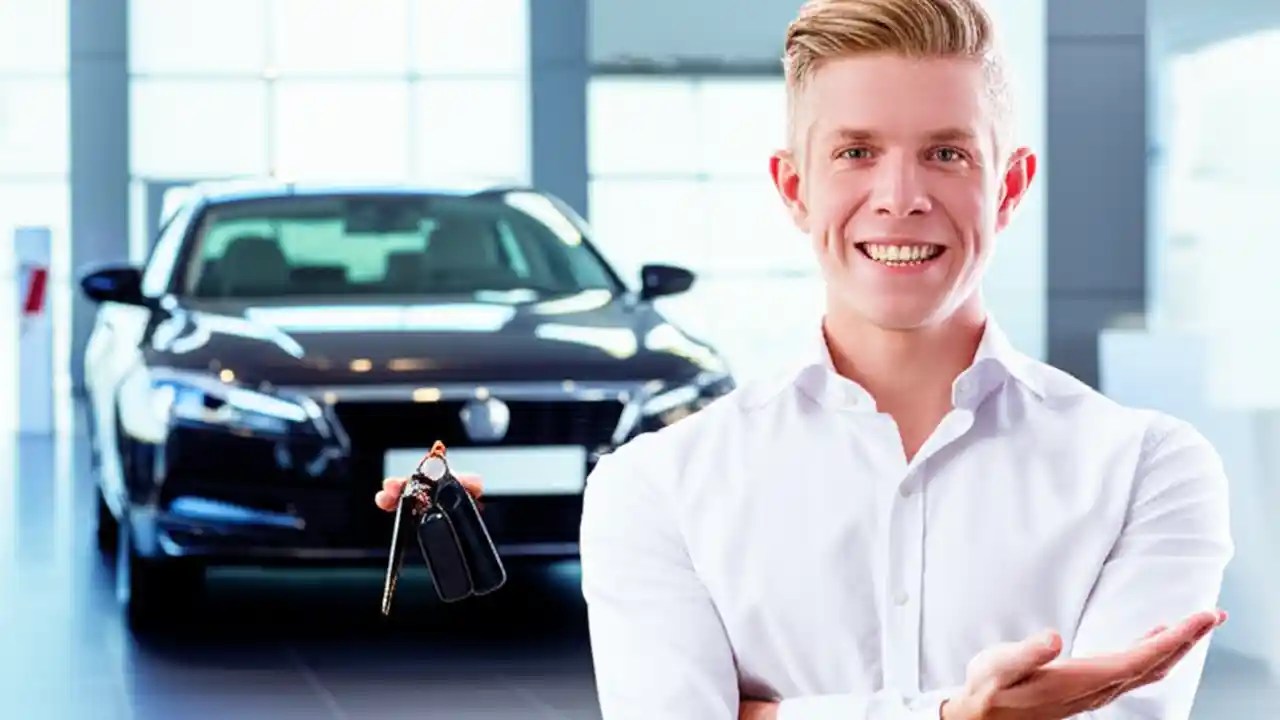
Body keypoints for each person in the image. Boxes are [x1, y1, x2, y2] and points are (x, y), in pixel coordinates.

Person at [377, 0, 1234, 717]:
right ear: (795, 187)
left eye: (947, 152)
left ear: (1007, 186)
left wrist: (772, 714)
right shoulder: (655, 488)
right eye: (856, 152)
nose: (901, 198)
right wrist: (950, 715)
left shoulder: (1150, 470)